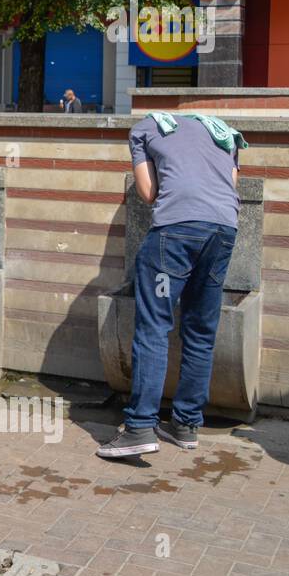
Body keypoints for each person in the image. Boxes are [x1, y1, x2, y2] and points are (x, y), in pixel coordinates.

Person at [96, 112, 245, 459]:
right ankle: (186, 425)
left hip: (175, 233)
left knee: (153, 328)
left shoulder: (145, 128)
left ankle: (139, 428)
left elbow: (148, 192)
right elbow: (230, 187)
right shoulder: (223, 132)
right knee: (200, 330)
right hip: (223, 231)